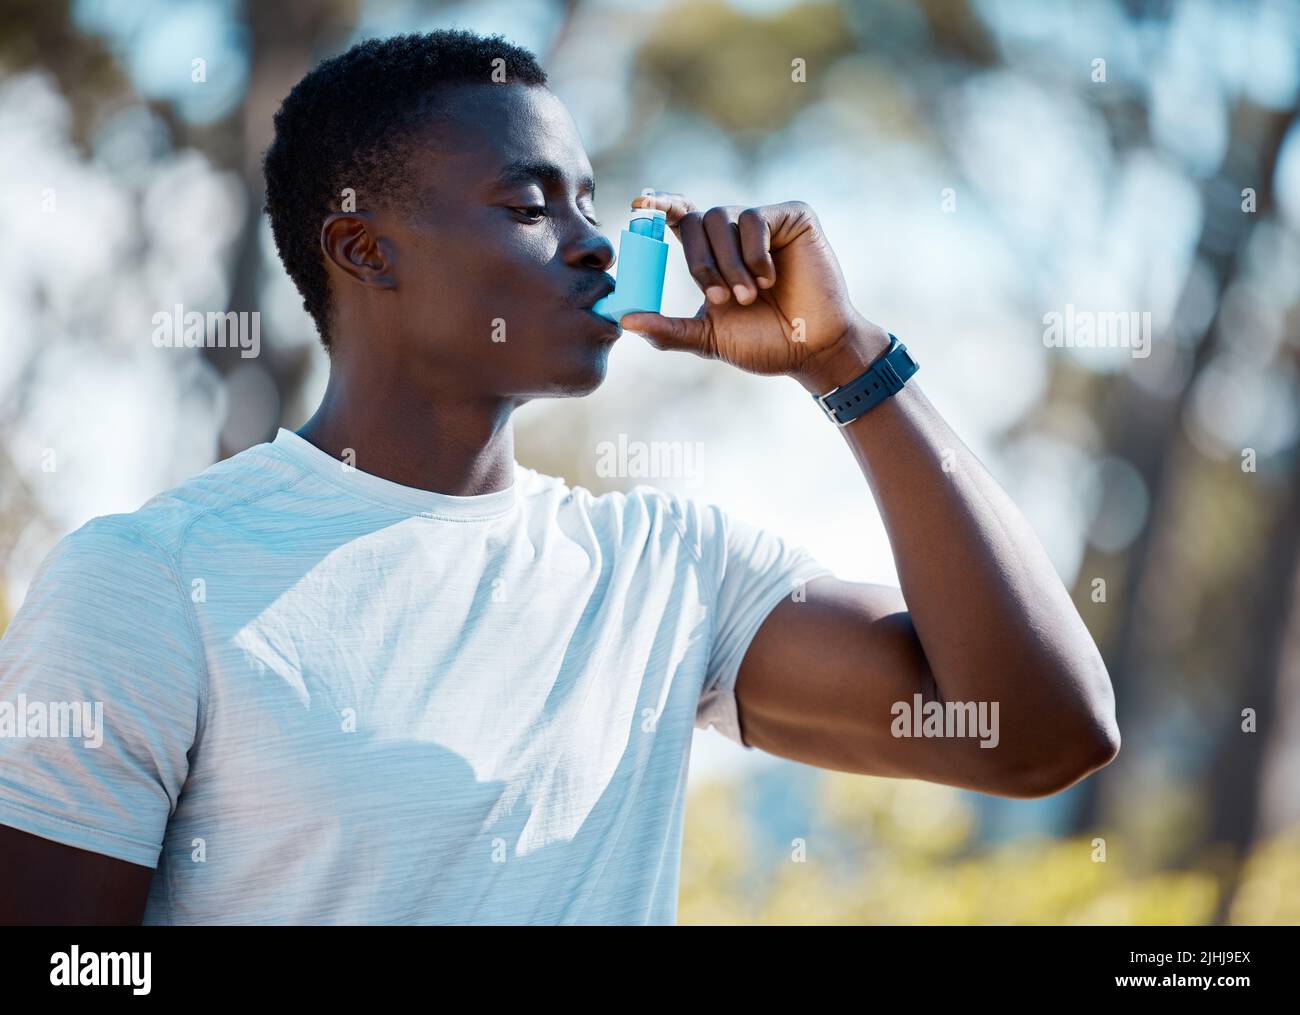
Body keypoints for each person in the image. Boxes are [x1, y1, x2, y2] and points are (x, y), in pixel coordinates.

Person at [0, 29, 1118, 925]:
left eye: (589, 201)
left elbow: (1039, 733)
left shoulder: (669, 572)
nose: (591, 242)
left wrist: (848, 361)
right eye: (529, 205)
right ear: (363, 249)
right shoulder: (148, 581)